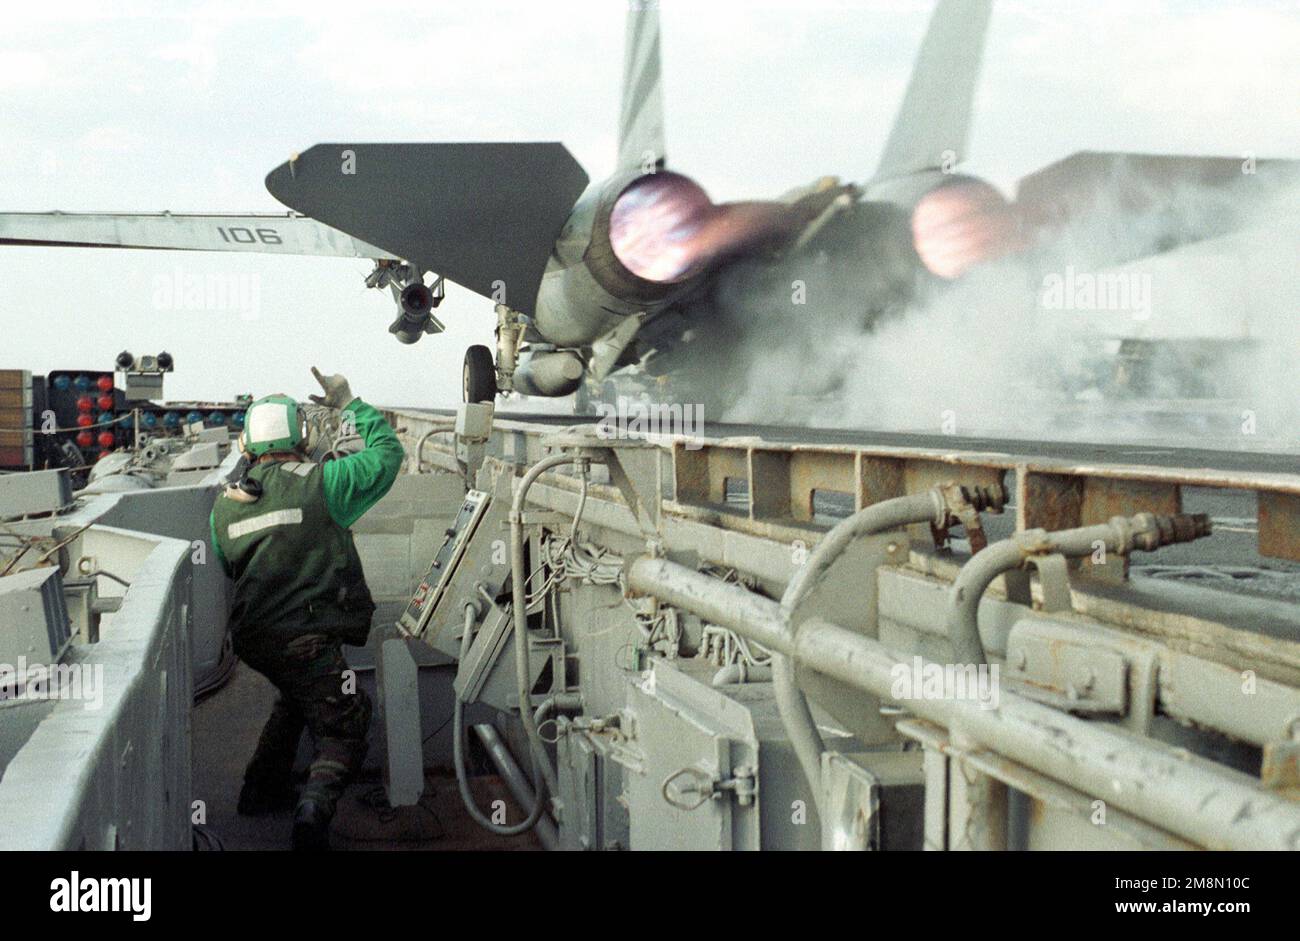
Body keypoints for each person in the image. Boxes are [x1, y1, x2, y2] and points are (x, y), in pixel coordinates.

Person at [210, 367, 403, 850]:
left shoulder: (225, 508)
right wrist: (350, 403)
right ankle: (312, 815)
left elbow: (229, 565)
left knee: (296, 696)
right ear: (302, 435)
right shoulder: (327, 483)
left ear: (246, 445)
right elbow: (388, 455)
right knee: (347, 719)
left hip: (255, 641)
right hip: (307, 639)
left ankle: (261, 791)